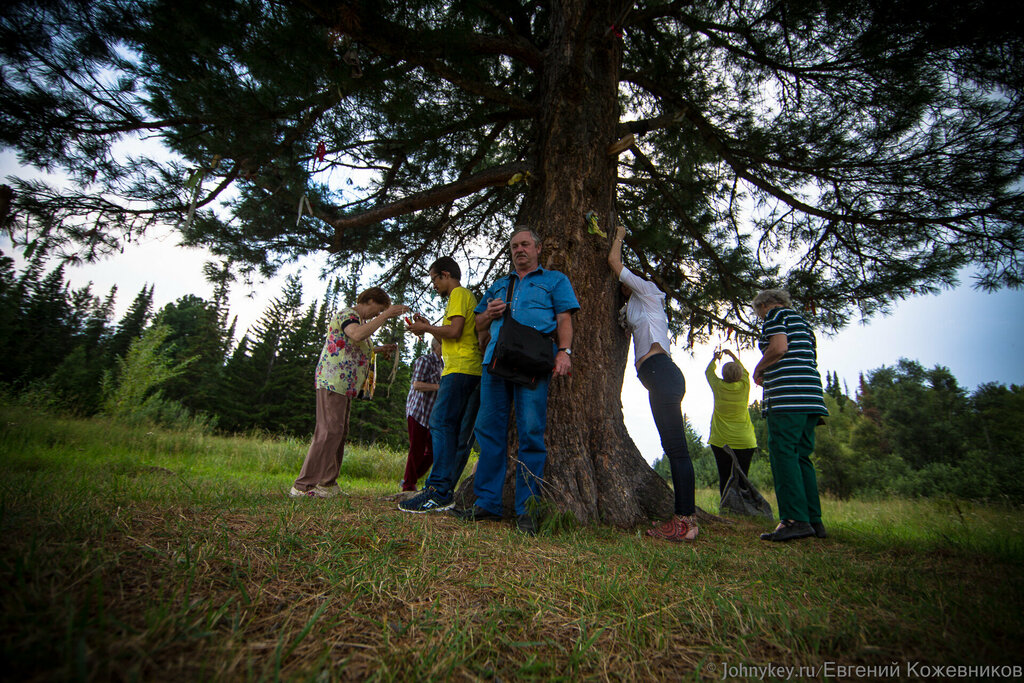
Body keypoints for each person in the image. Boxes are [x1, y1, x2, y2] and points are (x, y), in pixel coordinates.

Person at [454, 227, 579, 534]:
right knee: (488, 431)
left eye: (525, 245)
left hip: (534, 362)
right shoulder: (499, 285)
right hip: (495, 364)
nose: (519, 250)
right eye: (514, 246)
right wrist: (489, 314)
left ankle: (527, 511)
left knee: (532, 432)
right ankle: (487, 503)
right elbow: (478, 323)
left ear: (537, 249)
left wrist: (564, 351)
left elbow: (565, 318)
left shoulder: (555, 280)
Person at [607, 224, 698, 542]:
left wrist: (618, 236)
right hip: (657, 377)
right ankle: (685, 519)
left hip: (663, 373)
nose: (623, 285)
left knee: (676, 450)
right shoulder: (635, 307)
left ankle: (685, 522)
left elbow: (615, 266)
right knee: (673, 448)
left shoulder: (648, 291)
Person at [289, 287, 409, 498]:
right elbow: (355, 334)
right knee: (328, 431)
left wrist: (380, 350)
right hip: (332, 381)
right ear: (370, 300)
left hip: (345, 386)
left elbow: (354, 344)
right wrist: (387, 314)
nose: (376, 315)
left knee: (338, 431)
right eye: (377, 310)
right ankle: (303, 485)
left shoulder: (359, 321)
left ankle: (327, 484)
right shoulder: (348, 314)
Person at [400, 257, 483, 512]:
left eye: (434, 279)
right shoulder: (463, 297)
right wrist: (428, 327)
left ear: (445, 275)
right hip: (470, 369)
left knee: (440, 423)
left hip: (459, 369)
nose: (434, 285)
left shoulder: (458, 293)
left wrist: (425, 328)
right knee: (457, 433)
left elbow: (455, 331)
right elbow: (453, 331)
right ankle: (442, 490)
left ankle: (437, 490)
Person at [751, 289, 829, 541]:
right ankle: (813, 521)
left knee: (783, 455)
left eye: (758, 311)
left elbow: (779, 348)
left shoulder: (775, 316)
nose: (759, 316)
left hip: (788, 399)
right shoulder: (804, 325)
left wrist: (759, 369)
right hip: (811, 397)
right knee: (802, 458)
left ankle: (794, 520)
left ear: (764, 305)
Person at [706, 349, 758, 496]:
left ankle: (726, 507)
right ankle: (744, 509)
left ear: (723, 375)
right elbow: (746, 372)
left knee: (725, 477)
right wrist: (733, 355)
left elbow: (708, 372)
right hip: (745, 440)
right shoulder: (745, 385)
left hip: (721, 441)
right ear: (740, 375)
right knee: (743, 478)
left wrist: (715, 359)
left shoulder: (718, 386)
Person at [401, 336, 443, 492]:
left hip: (431, 414)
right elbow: (417, 384)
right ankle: (408, 485)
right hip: (418, 411)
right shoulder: (424, 361)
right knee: (416, 450)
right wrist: (439, 387)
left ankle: (410, 478)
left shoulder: (442, 364)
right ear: (438, 345)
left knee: (433, 451)